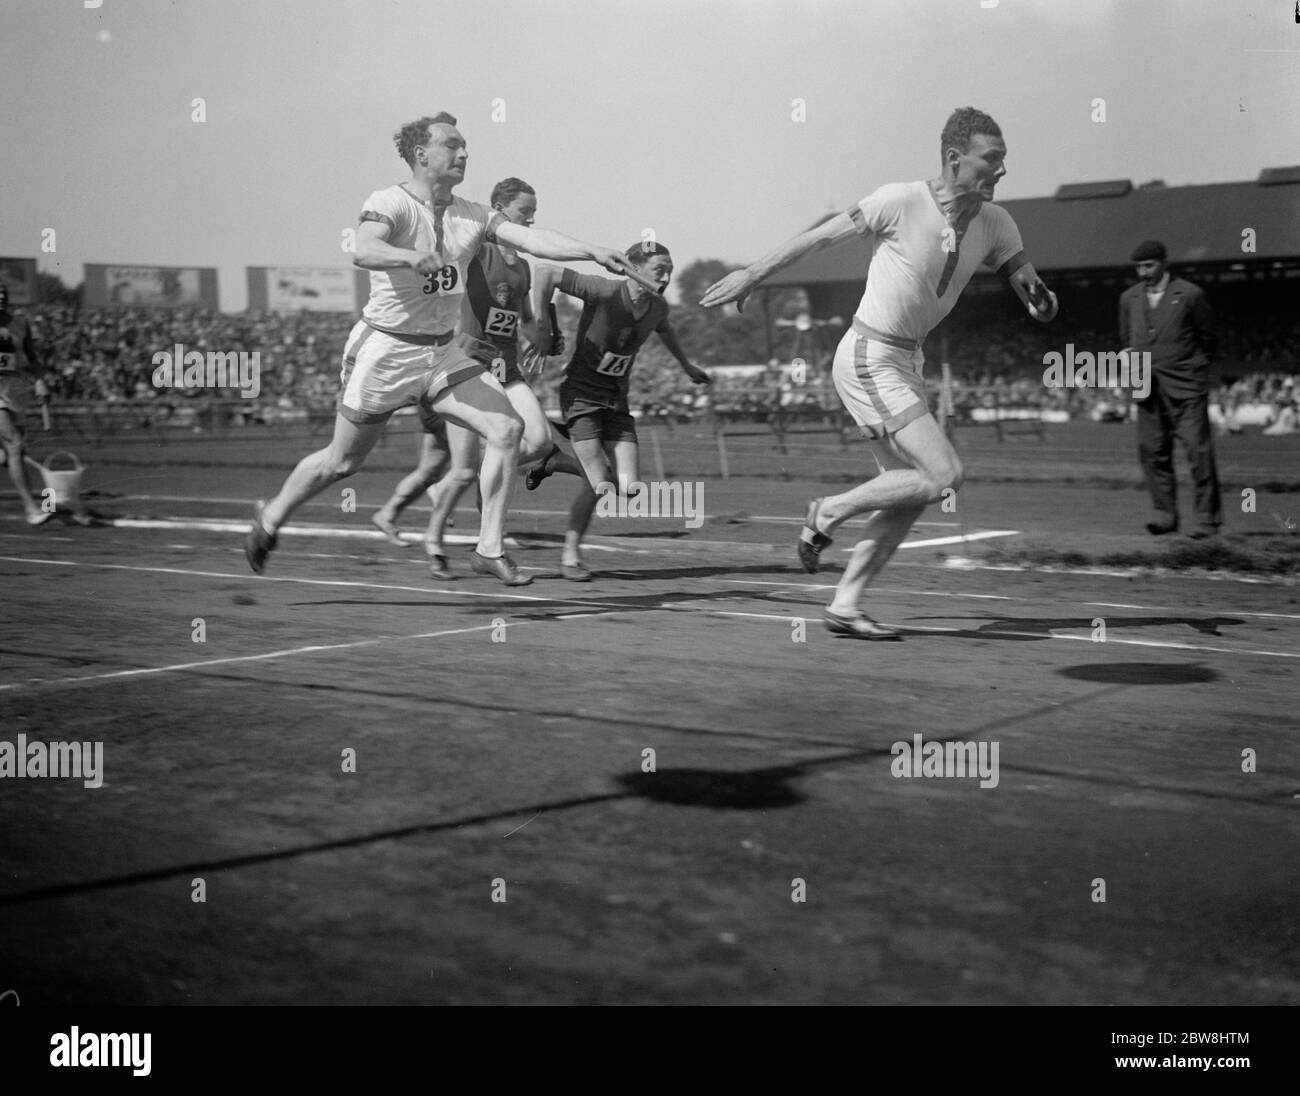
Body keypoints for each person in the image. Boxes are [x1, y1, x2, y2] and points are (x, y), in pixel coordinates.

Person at [701, 106, 1058, 638]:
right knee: (944, 475)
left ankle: (844, 607)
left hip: (905, 361)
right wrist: (754, 272)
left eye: (1005, 160)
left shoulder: (996, 223)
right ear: (955, 159)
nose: (1002, 170)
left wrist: (1043, 302)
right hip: (870, 355)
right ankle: (827, 511)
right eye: (993, 159)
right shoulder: (899, 200)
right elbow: (819, 238)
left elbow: (1031, 285)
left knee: (912, 489)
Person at [243, 113, 634, 585]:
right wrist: (412, 258)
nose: (464, 153)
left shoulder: (473, 213)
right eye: (454, 145)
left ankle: (488, 547)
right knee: (342, 462)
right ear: (421, 155)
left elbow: (532, 239)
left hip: (442, 353)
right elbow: (363, 249)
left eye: (466, 146)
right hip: (386, 352)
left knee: (508, 429)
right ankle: (271, 518)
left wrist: (592, 250)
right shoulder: (390, 201)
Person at [369, 177, 573, 579]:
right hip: (466, 364)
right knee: (461, 470)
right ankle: (435, 543)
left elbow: (526, 322)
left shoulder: (526, 269)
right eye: (524, 212)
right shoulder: (477, 250)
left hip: (506, 365)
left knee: (541, 440)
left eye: (534, 213)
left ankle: (486, 479)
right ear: (499, 210)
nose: (530, 220)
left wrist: (548, 339)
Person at [531, 241, 711, 580]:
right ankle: (570, 554)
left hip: (616, 399)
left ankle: (556, 461)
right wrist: (544, 324)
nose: (668, 276)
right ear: (635, 267)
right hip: (581, 395)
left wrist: (686, 365)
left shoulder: (658, 307)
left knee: (628, 489)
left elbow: (665, 328)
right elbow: (545, 271)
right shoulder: (604, 291)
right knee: (600, 487)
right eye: (660, 269)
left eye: (670, 269)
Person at [1118, 240, 1221, 537]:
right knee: (1152, 453)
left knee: (1197, 451)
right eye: (1138, 266)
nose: (1143, 272)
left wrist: (1191, 370)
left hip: (1185, 386)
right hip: (1145, 387)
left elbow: (1208, 338)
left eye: (1149, 265)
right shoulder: (1128, 299)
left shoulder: (1190, 294)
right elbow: (1127, 339)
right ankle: (1165, 515)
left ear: (1164, 263)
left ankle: (1207, 520)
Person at [0, 284, 54, 526]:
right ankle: (31, 509)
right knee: (15, 445)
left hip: (16, 390)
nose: (1, 298)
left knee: (13, 451)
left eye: (4, 293)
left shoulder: (20, 323)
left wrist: (41, 381)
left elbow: (32, 358)